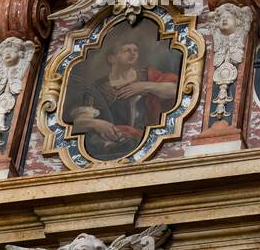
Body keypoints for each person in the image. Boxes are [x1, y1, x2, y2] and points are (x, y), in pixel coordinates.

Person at [63, 31, 180, 160]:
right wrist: (96, 123)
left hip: (151, 140)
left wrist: (145, 85)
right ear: (111, 58)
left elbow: (175, 90)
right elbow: (79, 122)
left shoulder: (147, 74)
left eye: (135, 50)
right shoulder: (98, 88)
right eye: (127, 50)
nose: (133, 53)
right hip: (117, 140)